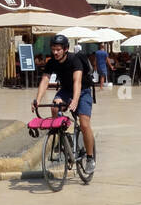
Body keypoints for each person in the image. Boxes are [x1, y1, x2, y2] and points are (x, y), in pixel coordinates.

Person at [33, 33, 95, 175]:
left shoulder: (75, 60)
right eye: (53, 49)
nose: (55, 52)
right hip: (66, 90)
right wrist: (37, 100)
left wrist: (75, 100)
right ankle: (63, 136)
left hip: (83, 91)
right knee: (55, 108)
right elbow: (45, 81)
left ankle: (90, 158)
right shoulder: (52, 62)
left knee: (84, 124)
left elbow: (77, 82)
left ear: (66, 49)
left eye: (58, 49)